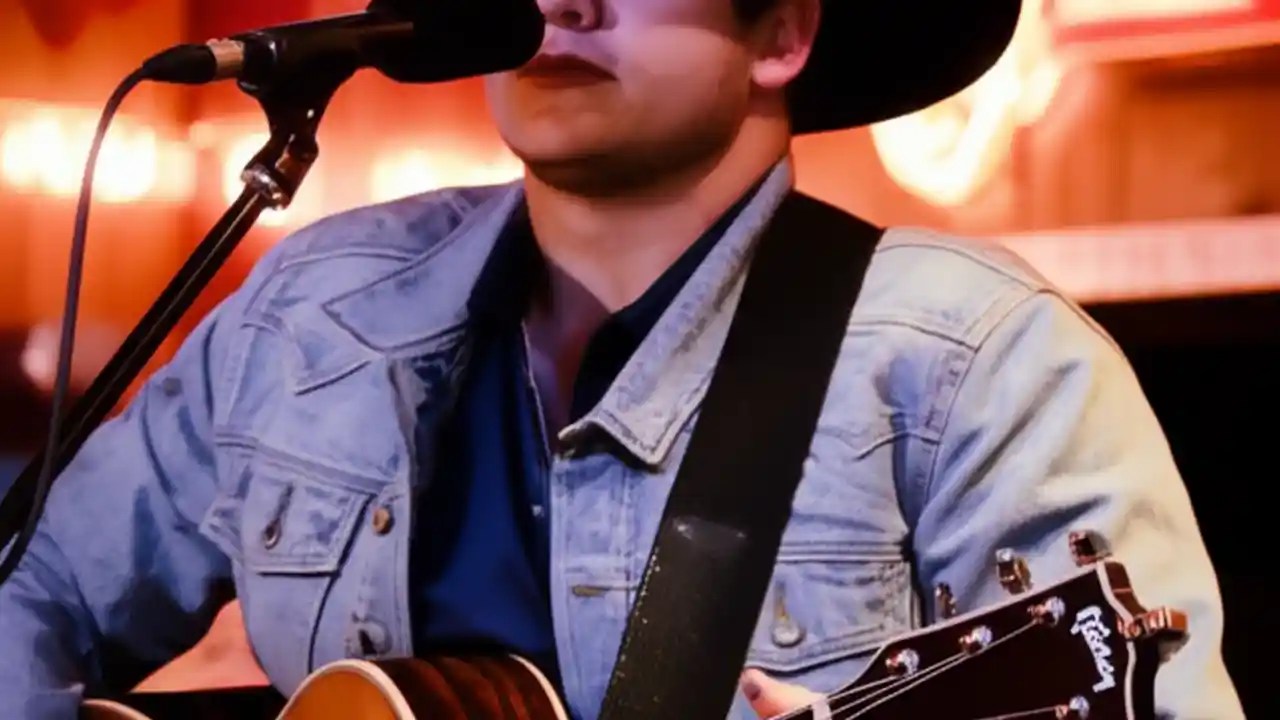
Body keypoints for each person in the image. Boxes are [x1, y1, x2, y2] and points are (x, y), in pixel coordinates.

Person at [0, 0, 1244, 718]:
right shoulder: (313, 308)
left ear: (783, 34)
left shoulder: (981, 364)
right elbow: (33, 594)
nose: (560, 0)